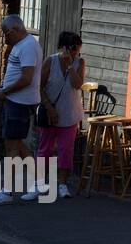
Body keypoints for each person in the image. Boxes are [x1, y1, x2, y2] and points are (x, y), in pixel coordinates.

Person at [0, 15, 44, 207]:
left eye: (5, 33)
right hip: (14, 100)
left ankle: (7, 191)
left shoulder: (27, 47)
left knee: (11, 147)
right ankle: (38, 183)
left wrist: (5, 91)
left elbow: (27, 78)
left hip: (19, 102)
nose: (4, 37)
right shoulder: (22, 45)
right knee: (17, 145)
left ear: (15, 30)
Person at [23, 31, 86, 201]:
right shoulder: (50, 61)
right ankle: (38, 184)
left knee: (66, 150)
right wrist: (49, 107)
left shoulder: (79, 62)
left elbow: (77, 84)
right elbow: (39, 87)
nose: (75, 52)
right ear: (63, 47)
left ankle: (63, 184)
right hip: (50, 113)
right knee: (44, 150)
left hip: (70, 113)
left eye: (77, 48)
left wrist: (69, 66)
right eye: (72, 48)